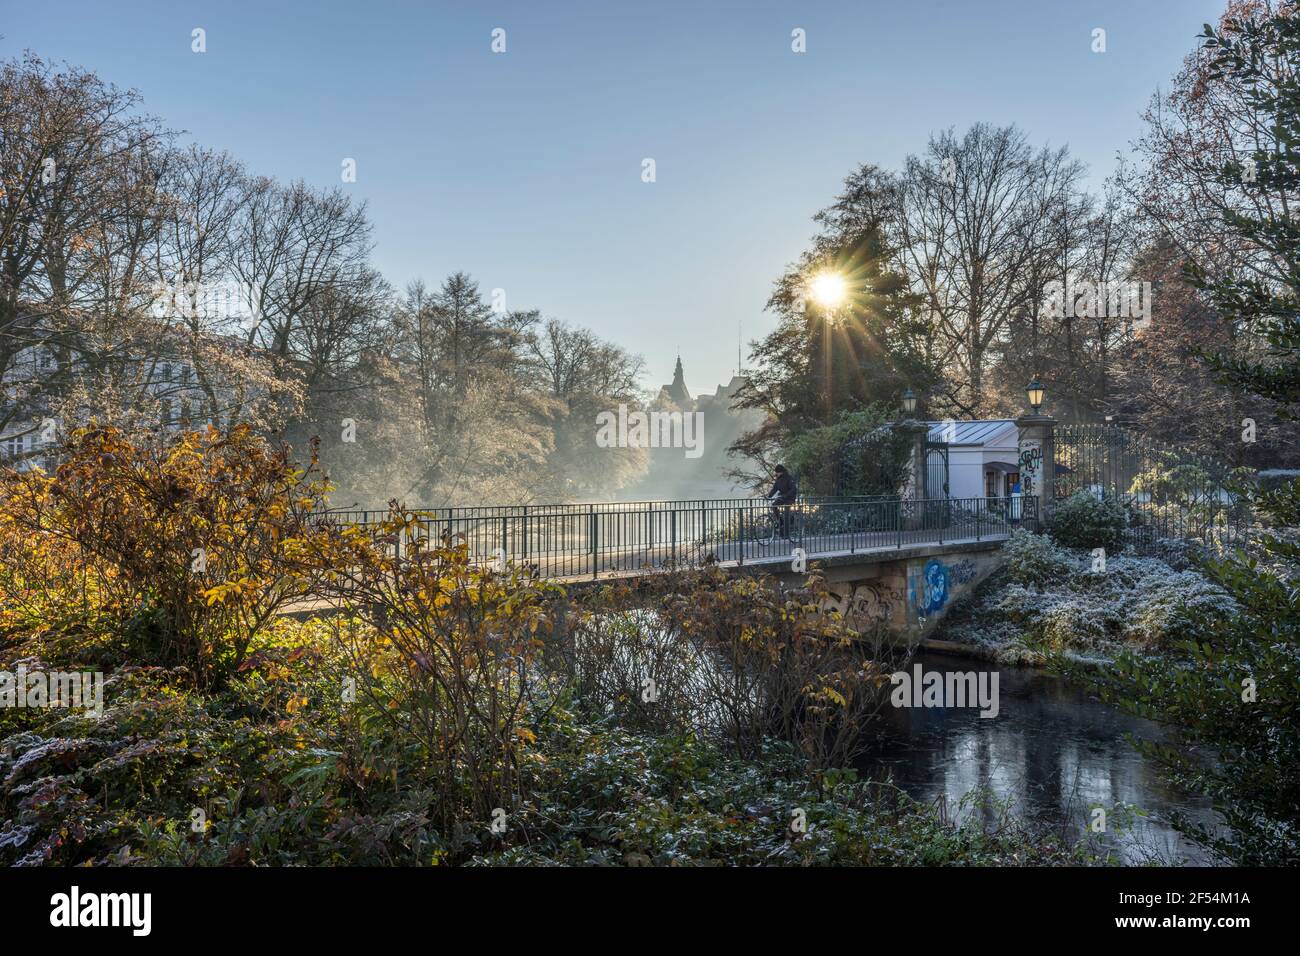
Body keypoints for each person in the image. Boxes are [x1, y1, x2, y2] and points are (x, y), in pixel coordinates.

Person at [767, 464, 799, 538]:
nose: (776, 474)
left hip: (790, 498)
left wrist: (787, 495)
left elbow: (793, 489)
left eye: (777, 472)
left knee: (786, 512)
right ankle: (781, 521)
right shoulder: (778, 479)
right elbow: (774, 489)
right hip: (783, 497)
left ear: (781, 472)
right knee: (774, 505)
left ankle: (787, 534)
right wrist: (768, 496)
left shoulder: (789, 478)